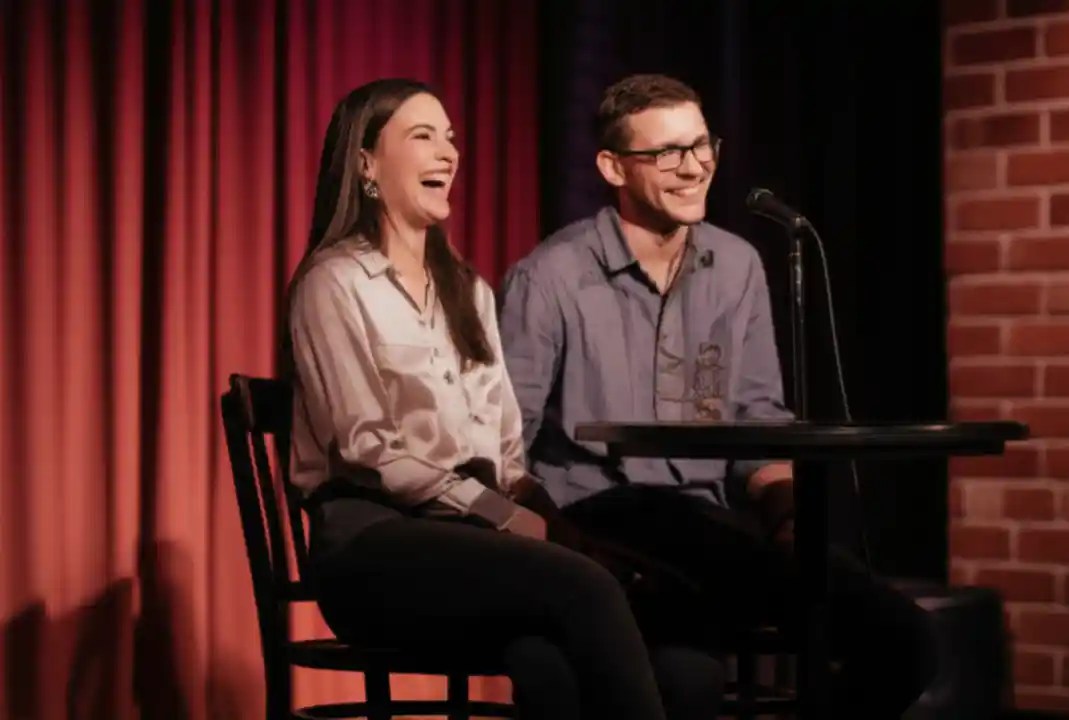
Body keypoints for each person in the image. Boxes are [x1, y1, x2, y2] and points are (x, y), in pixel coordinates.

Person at [498, 73, 939, 718]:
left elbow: (759, 423)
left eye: (702, 146)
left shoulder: (736, 267)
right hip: (603, 524)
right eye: (667, 153)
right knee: (683, 676)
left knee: (906, 642)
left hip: (711, 530)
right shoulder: (550, 278)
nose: (694, 167)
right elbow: (506, 444)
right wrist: (569, 548)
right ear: (612, 167)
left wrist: (789, 521)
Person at [283, 77, 669, 720]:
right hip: (371, 546)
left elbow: (505, 453)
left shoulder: (468, 290)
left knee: (548, 657)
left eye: (452, 138)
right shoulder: (335, 283)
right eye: (422, 136)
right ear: (366, 162)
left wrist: (549, 520)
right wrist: (504, 518)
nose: (448, 153)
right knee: (583, 587)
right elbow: (369, 449)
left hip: (468, 541)